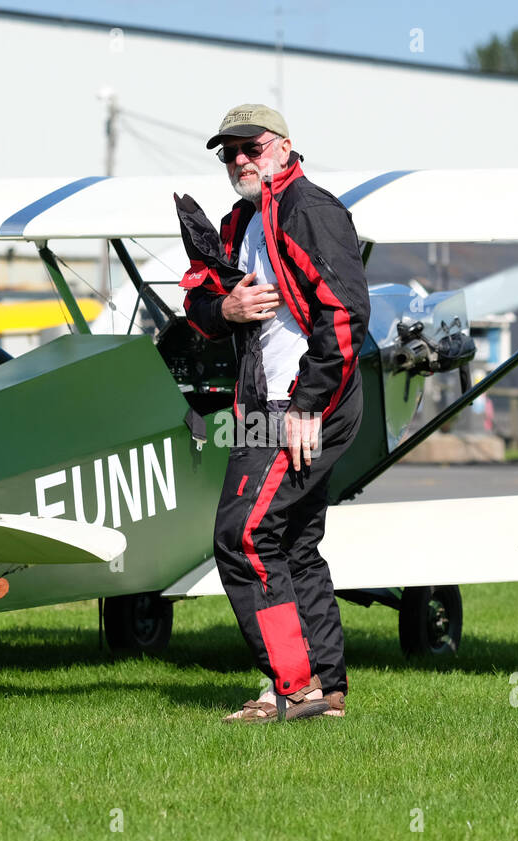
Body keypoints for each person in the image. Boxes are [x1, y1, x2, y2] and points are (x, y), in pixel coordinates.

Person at [178, 104, 369, 723]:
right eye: (227, 151)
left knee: (243, 536)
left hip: (303, 403)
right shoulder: (239, 221)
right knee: (290, 541)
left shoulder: (310, 209)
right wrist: (225, 311)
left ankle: (294, 687)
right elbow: (201, 309)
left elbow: (344, 315)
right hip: (262, 403)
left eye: (250, 147)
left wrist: (310, 406)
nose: (238, 160)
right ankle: (323, 688)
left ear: (284, 146)